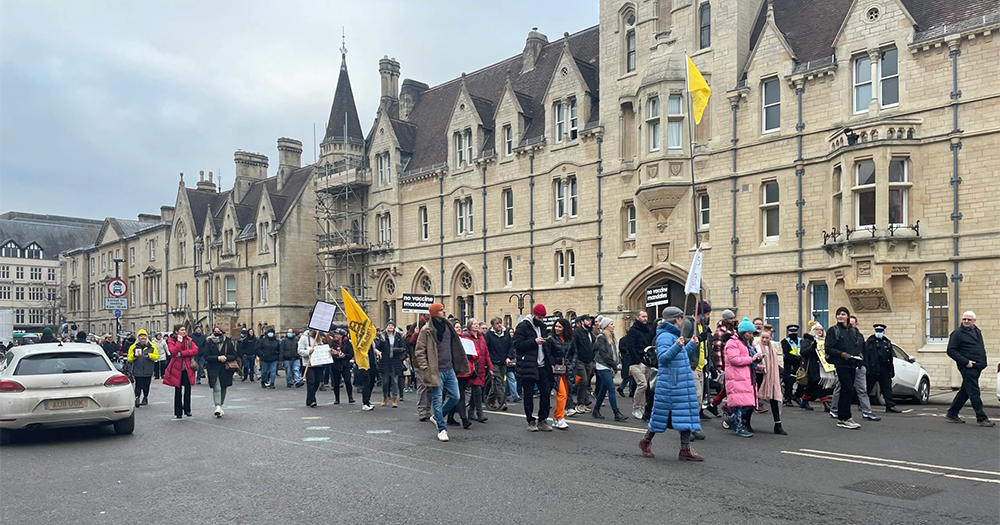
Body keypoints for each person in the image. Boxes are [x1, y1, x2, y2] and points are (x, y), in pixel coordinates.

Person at [638, 307, 703, 461]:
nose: (683, 321)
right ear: (676, 319)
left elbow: (680, 357)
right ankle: (646, 441)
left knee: (685, 415)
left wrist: (691, 345)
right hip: (670, 384)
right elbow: (663, 359)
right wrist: (677, 346)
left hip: (680, 382)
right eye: (681, 318)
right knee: (661, 415)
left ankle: (684, 449)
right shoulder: (665, 337)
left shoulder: (674, 335)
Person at [414, 303, 470, 442]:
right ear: (434, 313)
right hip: (435, 370)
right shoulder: (426, 330)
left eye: (444, 308)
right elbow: (419, 351)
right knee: (437, 400)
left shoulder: (448, 325)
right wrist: (425, 367)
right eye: (441, 310)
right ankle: (442, 428)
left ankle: (437, 416)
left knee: (455, 396)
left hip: (449, 368)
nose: (444, 311)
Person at [945, 311, 995, 426]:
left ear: (974, 321)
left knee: (966, 391)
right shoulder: (957, 333)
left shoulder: (977, 331)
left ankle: (952, 413)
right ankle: (981, 418)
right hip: (967, 366)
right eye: (964, 319)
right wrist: (965, 362)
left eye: (969, 319)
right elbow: (951, 350)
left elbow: (980, 347)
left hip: (978, 366)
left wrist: (983, 362)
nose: (966, 321)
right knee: (974, 391)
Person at [514, 304, 556, 431]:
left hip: (543, 365)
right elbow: (517, 344)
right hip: (529, 365)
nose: (541, 320)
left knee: (545, 393)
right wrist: (534, 342)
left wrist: (551, 363)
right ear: (533, 315)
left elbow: (547, 348)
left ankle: (542, 420)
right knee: (528, 394)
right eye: (539, 317)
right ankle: (530, 421)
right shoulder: (523, 326)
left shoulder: (542, 327)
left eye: (543, 318)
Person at [826, 307, 866, 430]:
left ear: (848, 316)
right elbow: (829, 348)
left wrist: (859, 356)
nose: (840, 316)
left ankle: (843, 418)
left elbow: (857, 346)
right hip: (841, 363)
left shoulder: (853, 331)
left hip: (852, 363)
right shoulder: (833, 330)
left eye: (843, 314)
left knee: (848, 390)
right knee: (846, 389)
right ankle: (845, 418)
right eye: (838, 314)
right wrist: (843, 355)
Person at [724, 318, 763, 437]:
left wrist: (756, 360)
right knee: (739, 404)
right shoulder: (733, 343)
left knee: (745, 402)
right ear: (743, 332)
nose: (751, 335)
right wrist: (751, 359)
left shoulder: (745, 343)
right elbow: (734, 359)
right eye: (749, 333)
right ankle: (738, 426)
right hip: (736, 376)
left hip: (744, 376)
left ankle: (733, 420)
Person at [592, 316, 628, 422]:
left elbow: (615, 353)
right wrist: (614, 365)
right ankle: (616, 412)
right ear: (606, 326)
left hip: (609, 366)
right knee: (611, 388)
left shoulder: (611, 337)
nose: (613, 326)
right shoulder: (601, 337)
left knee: (604, 389)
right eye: (611, 324)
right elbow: (603, 354)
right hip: (603, 366)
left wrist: (616, 363)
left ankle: (596, 410)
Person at [755, 327, 787, 435]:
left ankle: (778, 424)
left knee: (774, 399)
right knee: (753, 398)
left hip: (770, 376)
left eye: (767, 338)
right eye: (763, 337)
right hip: (759, 375)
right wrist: (760, 367)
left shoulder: (772, 347)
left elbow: (773, 362)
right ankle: (746, 422)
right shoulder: (756, 346)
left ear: (770, 338)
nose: (764, 340)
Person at [706, 310, 738, 416]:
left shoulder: (734, 330)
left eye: (734, 318)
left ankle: (714, 404)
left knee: (728, 387)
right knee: (729, 387)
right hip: (725, 362)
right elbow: (717, 350)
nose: (733, 320)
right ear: (725, 319)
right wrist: (719, 366)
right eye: (731, 318)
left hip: (733, 361)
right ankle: (726, 409)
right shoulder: (720, 332)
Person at [546, 318, 576, 430]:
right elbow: (548, 354)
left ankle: (557, 417)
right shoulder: (551, 339)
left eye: (560, 327)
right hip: (556, 370)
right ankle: (559, 417)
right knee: (562, 394)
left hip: (567, 369)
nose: (557, 329)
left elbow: (574, 353)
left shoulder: (570, 340)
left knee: (565, 393)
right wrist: (553, 365)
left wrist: (572, 365)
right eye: (556, 326)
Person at [623, 310, 653, 420]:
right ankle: (636, 408)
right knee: (642, 384)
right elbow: (630, 347)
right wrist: (638, 359)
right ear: (637, 317)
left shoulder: (648, 329)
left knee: (645, 387)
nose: (645, 318)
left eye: (646, 316)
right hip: (636, 362)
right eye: (643, 316)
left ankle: (643, 408)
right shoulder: (633, 331)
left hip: (647, 362)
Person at [202, 326, 238, 417]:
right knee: (216, 387)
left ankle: (221, 405)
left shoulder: (228, 342)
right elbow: (206, 356)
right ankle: (217, 406)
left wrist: (226, 358)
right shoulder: (209, 342)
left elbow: (234, 355)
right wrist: (218, 358)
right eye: (215, 331)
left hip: (225, 369)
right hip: (213, 368)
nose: (217, 333)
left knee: (223, 387)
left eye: (219, 331)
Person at [865, 324, 901, 414]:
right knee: (868, 388)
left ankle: (890, 406)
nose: (879, 333)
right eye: (877, 331)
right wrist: (867, 368)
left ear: (884, 332)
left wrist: (891, 370)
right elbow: (866, 356)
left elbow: (890, 358)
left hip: (884, 368)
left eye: (880, 331)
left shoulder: (887, 342)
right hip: (873, 368)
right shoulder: (870, 341)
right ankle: (862, 404)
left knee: (887, 388)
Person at [164, 325, 198, 419]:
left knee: (188, 389)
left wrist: (183, 353)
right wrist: (179, 342)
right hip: (176, 368)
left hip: (187, 368)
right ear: (176, 332)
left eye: (184, 329)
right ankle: (178, 412)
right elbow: (173, 352)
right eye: (181, 330)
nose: (184, 331)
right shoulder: (172, 341)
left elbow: (195, 350)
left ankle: (187, 409)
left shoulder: (189, 340)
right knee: (177, 390)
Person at [798, 322, 833, 412]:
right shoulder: (807, 340)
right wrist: (812, 347)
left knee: (815, 383)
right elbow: (803, 352)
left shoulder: (825, 340)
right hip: (811, 366)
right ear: (813, 330)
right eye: (817, 329)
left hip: (823, 366)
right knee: (817, 382)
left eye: (821, 329)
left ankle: (805, 400)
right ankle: (825, 403)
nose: (819, 331)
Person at [465, 319, 492, 423]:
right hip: (472, 367)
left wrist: (490, 367)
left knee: (476, 389)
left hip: (481, 368)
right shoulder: (467, 337)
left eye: (477, 324)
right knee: (477, 389)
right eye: (474, 324)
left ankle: (471, 412)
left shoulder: (481, 338)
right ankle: (480, 413)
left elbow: (486, 353)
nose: (476, 325)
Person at [485, 317, 514, 411]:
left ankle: (489, 400)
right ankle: (502, 402)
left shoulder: (506, 334)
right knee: (499, 382)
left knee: (497, 383)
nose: (499, 325)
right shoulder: (489, 335)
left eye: (500, 323)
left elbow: (510, 346)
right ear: (493, 325)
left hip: (503, 361)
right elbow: (486, 348)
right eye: (497, 323)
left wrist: (508, 357)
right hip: (494, 362)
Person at [376, 321, 406, 408]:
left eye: (392, 326)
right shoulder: (383, 336)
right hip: (385, 361)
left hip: (395, 361)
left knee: (395, 381)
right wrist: (381, 341)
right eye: (389, 325)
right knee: (385, 381)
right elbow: (378, 348)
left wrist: (400, 355)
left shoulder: (398, 336)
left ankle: (394, 399)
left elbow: (404, 348)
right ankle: (385, 397)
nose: (390, 327)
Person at [127, 329, 159, 407]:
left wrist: (150, 356)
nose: (142, 338)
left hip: (148, 369)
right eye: (141, 336)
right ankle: (137, 398)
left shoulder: (152, 346)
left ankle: (145, 397)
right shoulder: (133, 347)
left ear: (147, 337)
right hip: (137, 369)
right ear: (138, 338)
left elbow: (156, 357)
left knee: (146, 385)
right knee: (138, 384)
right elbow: (129, 359)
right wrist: (134, 356)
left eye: (144, 336)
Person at [298, 330, 329, 407]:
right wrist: (308, 352)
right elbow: (300, 351)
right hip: (309, 364)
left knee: (317, 382)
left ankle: (309, 398)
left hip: (318, 364)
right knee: (311, 382)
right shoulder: (304, 338)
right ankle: (312, 400)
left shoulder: (318, 338)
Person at [693, 302, 713, 420]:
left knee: (700, 398)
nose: (708, 316)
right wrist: (699, 338)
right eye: (707, 314)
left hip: (702, 366)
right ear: (700, 314)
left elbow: (707, 348)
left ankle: (695, 421)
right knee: (696, 396)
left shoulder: (704, 327)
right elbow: (683, 341)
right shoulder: (690, 325)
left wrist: (710, 365)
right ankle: (691, 425)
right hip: (693, 366)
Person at [409, 315, 432, 420]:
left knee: (430, 386)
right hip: (419, 361)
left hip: (432, 361)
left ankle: (428, 409)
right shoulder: (416, 324)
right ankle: (422, 410)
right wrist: (415, 334)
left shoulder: (434, 324)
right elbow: (408, 341)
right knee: (422, 385)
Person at [573, 315, 596, 414]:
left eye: (590, 320)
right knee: (583, 381)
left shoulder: (589, 333)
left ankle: (583, 403)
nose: (589, 322)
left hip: (589, 360)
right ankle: (580, 404)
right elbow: (574, 346)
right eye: (587, 320)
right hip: (580, 360)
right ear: (582, 322)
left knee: (586, 383)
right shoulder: (577, 332)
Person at [330, 328, 355, 404]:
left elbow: (351, 354)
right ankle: (337, 398)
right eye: (335, 334)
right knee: (336, 382)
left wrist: (344, 355)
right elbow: (330, 354)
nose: (336, 335)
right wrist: (336, 355)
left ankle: (350, 397)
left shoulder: (347, 343)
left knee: (347, 381)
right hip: (335, 365)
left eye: (337, 334)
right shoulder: (332, 343)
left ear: (342, 335)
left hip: (345, 365)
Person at [780, 325, 801, 406]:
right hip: (789, 363)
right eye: (791, 331)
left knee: (801, 380)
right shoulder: (785, 341)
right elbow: (786, 352)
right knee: (789, 381)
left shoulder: (800, 340)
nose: (793, 333)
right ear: (788, 332)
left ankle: (797, 396)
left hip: (799, 363)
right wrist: (796, 357)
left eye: (794, 331)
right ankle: (788, 398)